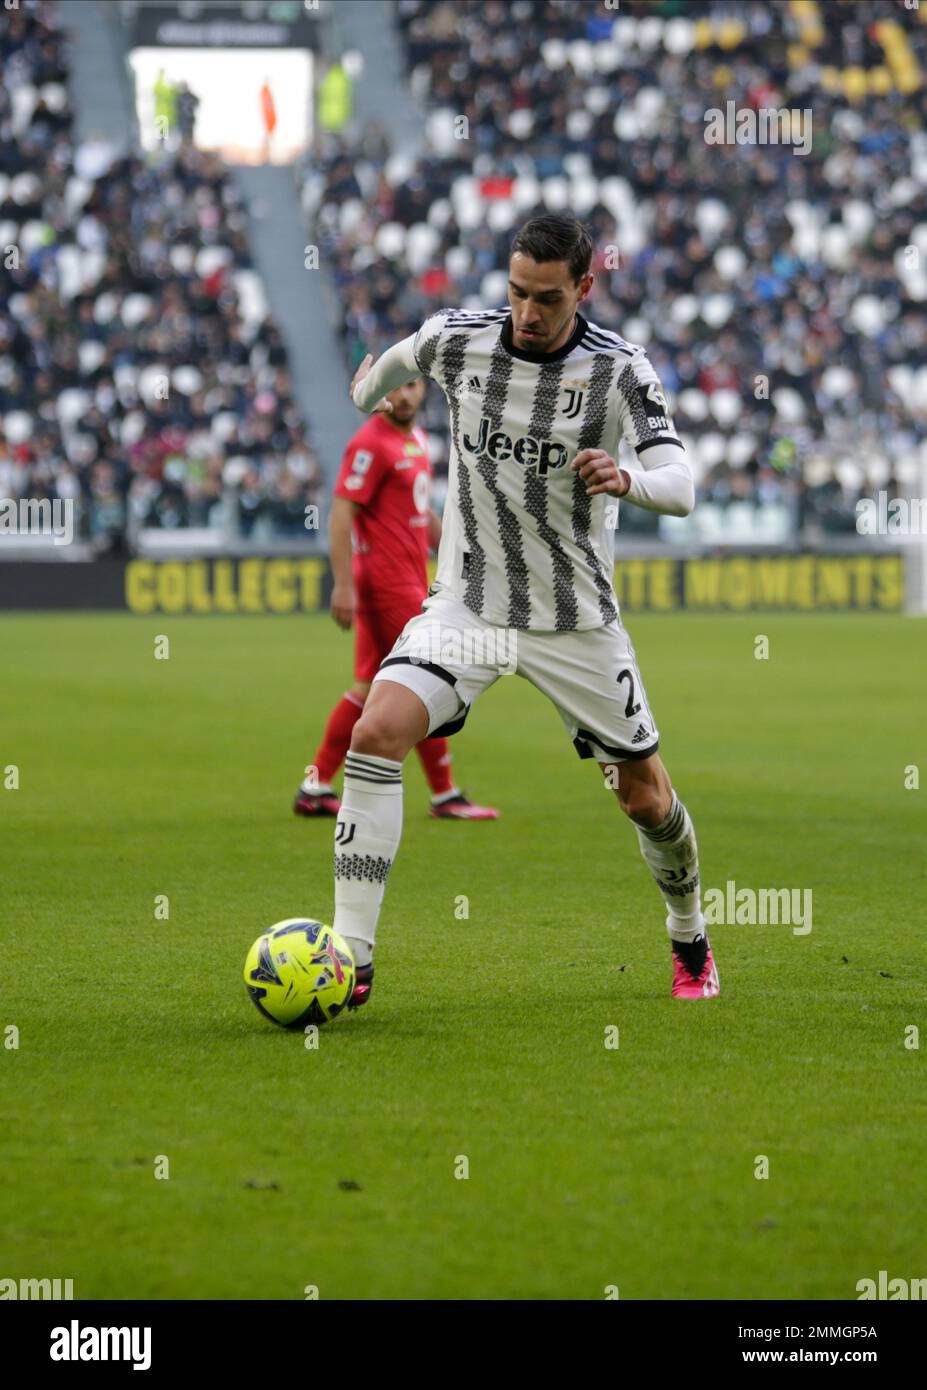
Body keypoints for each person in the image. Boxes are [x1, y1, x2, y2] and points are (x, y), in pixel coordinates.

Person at [337, 212, 719, 1009]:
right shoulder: (458, 340)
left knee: (643, 798)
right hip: (468, 608)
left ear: (583, 286)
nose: (527, 311)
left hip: (575, 622)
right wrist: (367, 388)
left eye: (546, 297)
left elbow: (680, 485)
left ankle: (687, 932)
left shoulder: (619, 371)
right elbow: (399, 361)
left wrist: (626, 479)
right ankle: (350, 957)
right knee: (375, 733)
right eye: (516, 291)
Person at [294, 374, 498, 822]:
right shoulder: (370, 443)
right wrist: (343, 583)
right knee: (429, 677)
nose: (404, 395)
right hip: (386, 585)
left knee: (368, 688)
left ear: (423, 389)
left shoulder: (417, 438)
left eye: (412, 386)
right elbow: (341, 514)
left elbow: (419, 511)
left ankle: (316, 783)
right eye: (396, 387)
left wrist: (454, 552)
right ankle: (444, 793)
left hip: (406, 578)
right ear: (380, 391)